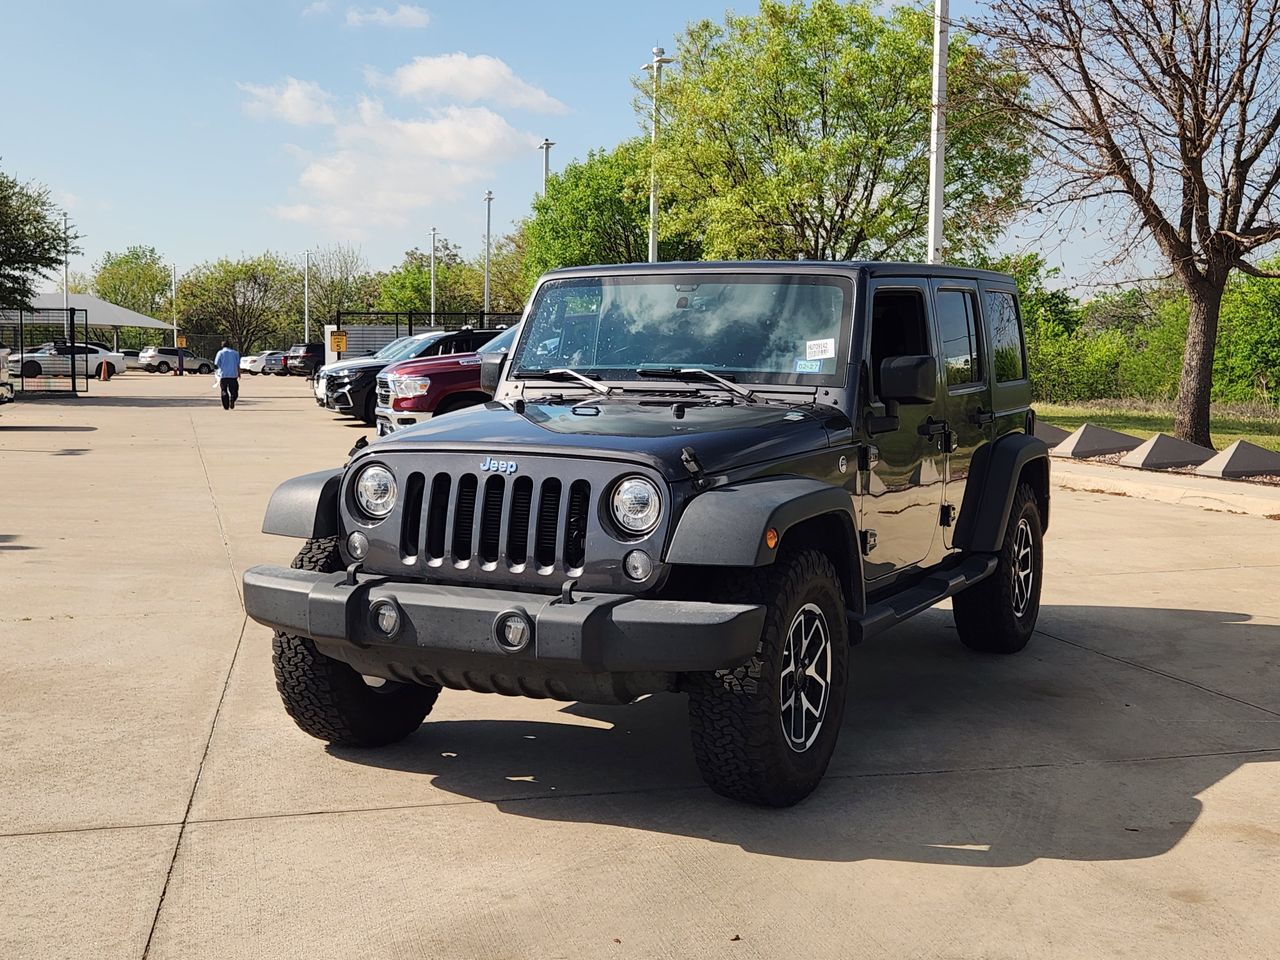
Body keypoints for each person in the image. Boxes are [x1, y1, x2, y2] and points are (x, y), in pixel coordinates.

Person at [214, 340, 241, 410]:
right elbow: (238, 364)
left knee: (224, 390)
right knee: (234, 391)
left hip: (223, 375)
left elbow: (216, 363)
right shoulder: (235, 353)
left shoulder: (220, 353)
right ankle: (232, 399)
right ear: (229, 345)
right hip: (233, 375)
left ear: (222, 346)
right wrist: (239, 373)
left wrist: (218, 371)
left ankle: (226, 406)